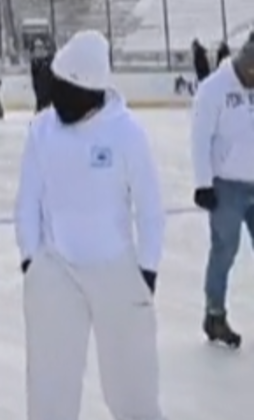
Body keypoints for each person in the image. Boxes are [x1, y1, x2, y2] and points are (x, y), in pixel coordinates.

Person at [14, 30, 166, 420]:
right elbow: (28, 198)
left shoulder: (126, 132)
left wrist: (146, 269)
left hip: (116, 267)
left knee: (132, 386)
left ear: (89, 91)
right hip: (55, 269)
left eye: (66, 89)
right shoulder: (42, 129)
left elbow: (149, 204)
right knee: (50, 385)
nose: (56, 98)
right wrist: (32, 260)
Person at [189, 35, 254, 349]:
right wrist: (203, 184)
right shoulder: (213, 88)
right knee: (224, 251)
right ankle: (214, 314)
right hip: (227, 185)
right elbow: (200, 138)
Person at [29, 40, 54, 112]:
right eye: (36, 48)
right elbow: (34, 76)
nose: (38, 50)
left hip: (47, 89)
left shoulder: (48, 60)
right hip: (39, 89)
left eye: (40, 48)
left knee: (45, 106)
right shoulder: (35, 62)